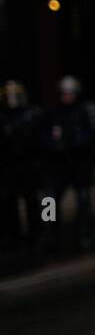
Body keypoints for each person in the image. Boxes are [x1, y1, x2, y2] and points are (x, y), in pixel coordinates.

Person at [38, 75, 95, 252]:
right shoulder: (54, 112)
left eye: (70, 93)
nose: (67, 96)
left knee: (83, 198)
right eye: (64, 93)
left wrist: (79, 142)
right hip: (58, 163)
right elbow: (43, 133)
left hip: (79, 162)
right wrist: (52, 144)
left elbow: (91, 134)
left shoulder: (83, 111)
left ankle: (85, 233)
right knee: (49, 199)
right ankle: (49, 233)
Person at [0, 80, 42, 249]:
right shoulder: (2, 117)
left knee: (43, 201)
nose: (12, 100)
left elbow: (40, 140)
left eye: (15, 96)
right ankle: (13, 235)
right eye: (8, 96)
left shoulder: (32, 114)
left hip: (31, 165)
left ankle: (44, 231)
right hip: (9, 166)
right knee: (9, 202)